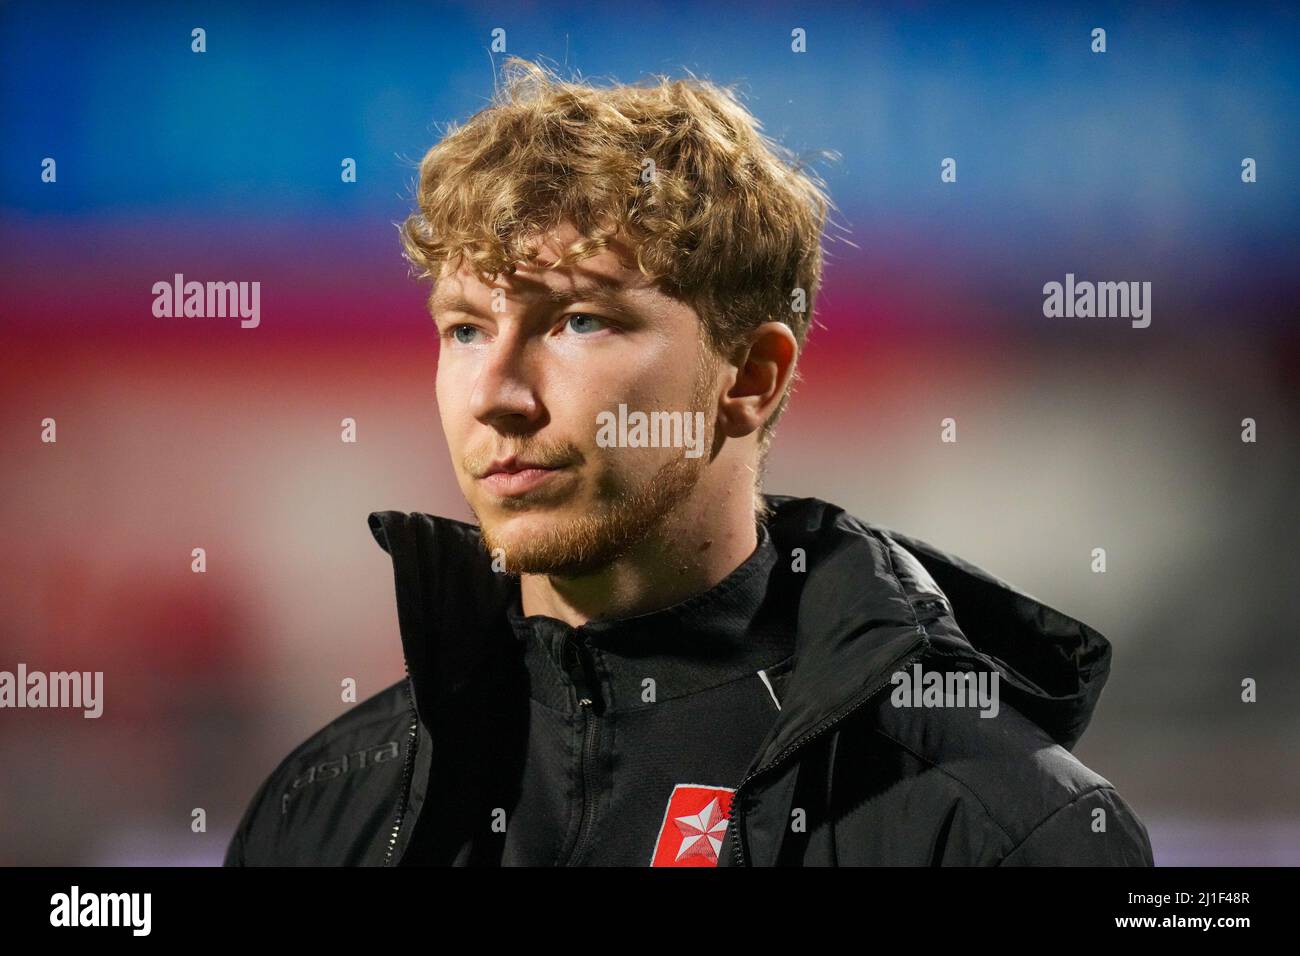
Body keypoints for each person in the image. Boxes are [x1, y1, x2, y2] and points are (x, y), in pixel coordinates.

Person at [224, 57, 1153, 866]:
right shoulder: (325, 808)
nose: (496, 392)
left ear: (749, 375)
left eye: (578, 320)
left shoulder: (997, 828)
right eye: (465, 328)